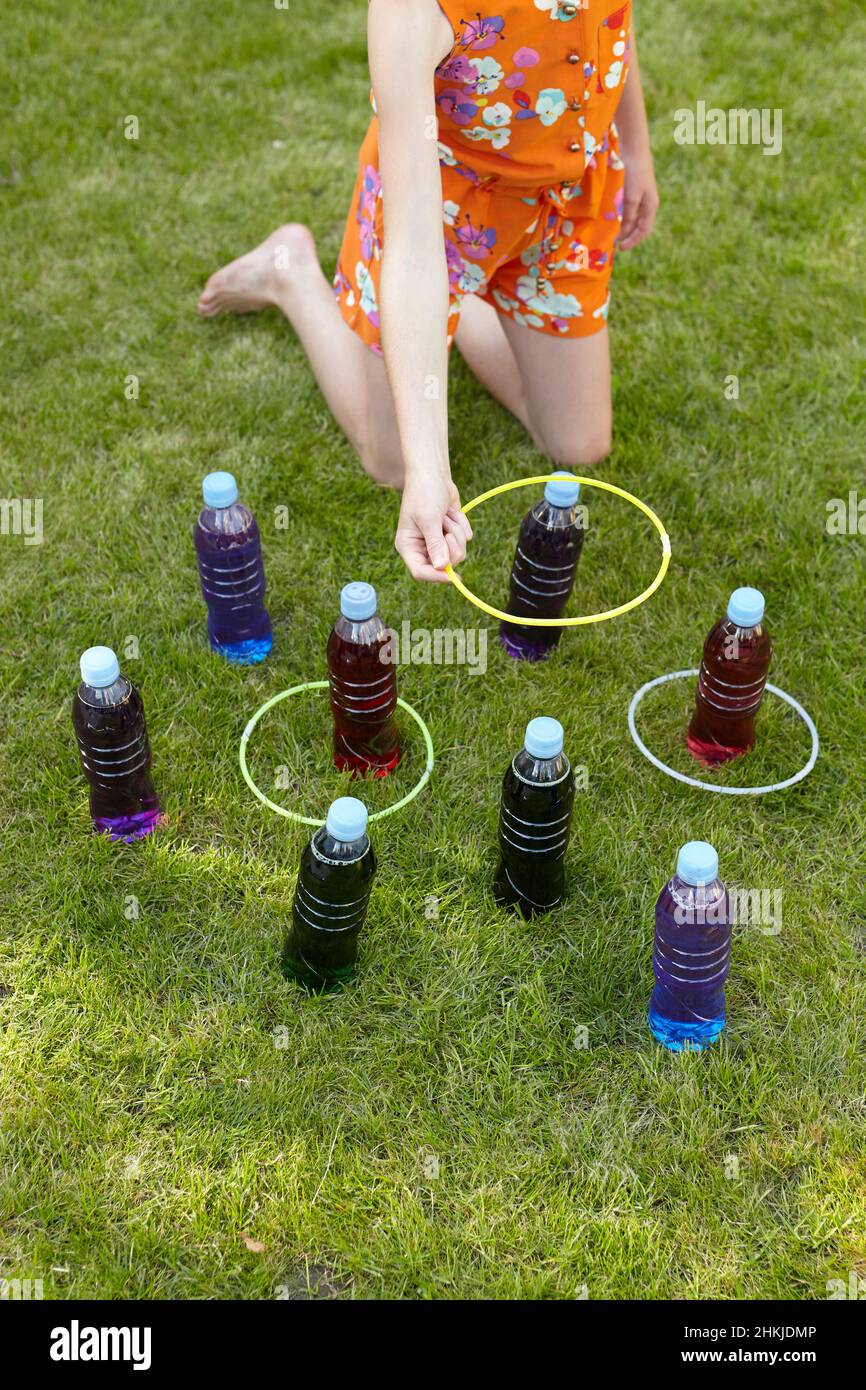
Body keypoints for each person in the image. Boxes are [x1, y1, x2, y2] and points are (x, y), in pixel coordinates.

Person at [198, 0, 658, 583]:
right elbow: (414, 251)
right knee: (391, 460)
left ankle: (455, 307)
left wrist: (634, 147)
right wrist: (428, 467)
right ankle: (289, 275)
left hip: (563, 201)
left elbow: (612, 20)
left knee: (579, 445)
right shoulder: (408, 10)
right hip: (440, 210)